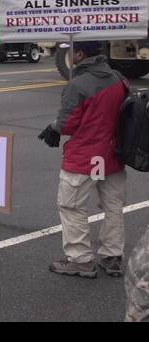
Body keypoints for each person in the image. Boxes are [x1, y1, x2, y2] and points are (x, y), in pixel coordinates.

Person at [40, 41, 128, 279]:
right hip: (112, 154)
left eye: (70, 50)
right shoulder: (118, 78)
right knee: (112, 207)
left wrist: (53, 127)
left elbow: (68, 123)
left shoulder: (78, 84)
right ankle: (112, 256)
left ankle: (81, 260)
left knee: (72, 206)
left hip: (84, 157)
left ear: (79, 54)